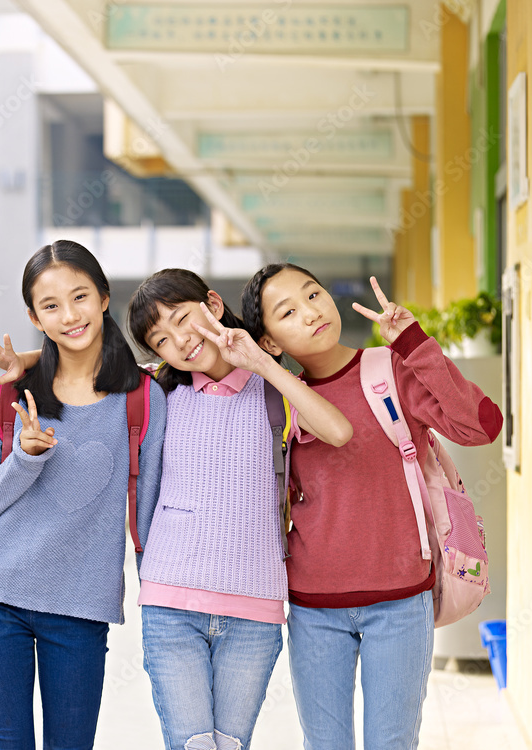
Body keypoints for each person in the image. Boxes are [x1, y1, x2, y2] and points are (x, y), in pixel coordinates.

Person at [241, 265, 503, 750]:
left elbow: (481, 426)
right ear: (270, 342)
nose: (312, 311)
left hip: (401, 600)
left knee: (392, 744)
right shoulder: (275, 400)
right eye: (289, 312)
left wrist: (415, 346)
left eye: (314, 293)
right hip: (314, 606)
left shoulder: (390, 369)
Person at [126, 268, 352, 750]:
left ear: (212, 302)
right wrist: (19, 366)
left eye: (183, 319)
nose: (179, 342)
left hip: (255, 607)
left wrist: (261, 363)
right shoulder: (157, 395)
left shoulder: (278, 392)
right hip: (171, 603)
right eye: (161, 339)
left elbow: (338, 432)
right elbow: (86, 372)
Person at [0, 239, 167, 750]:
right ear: (34, 315)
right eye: (50, 305)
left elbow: (151, 510)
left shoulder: (143, 399)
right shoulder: (9, 392)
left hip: (81, 607)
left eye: (79, 297)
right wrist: (25, 460)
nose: (69, 315)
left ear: (103, 296)